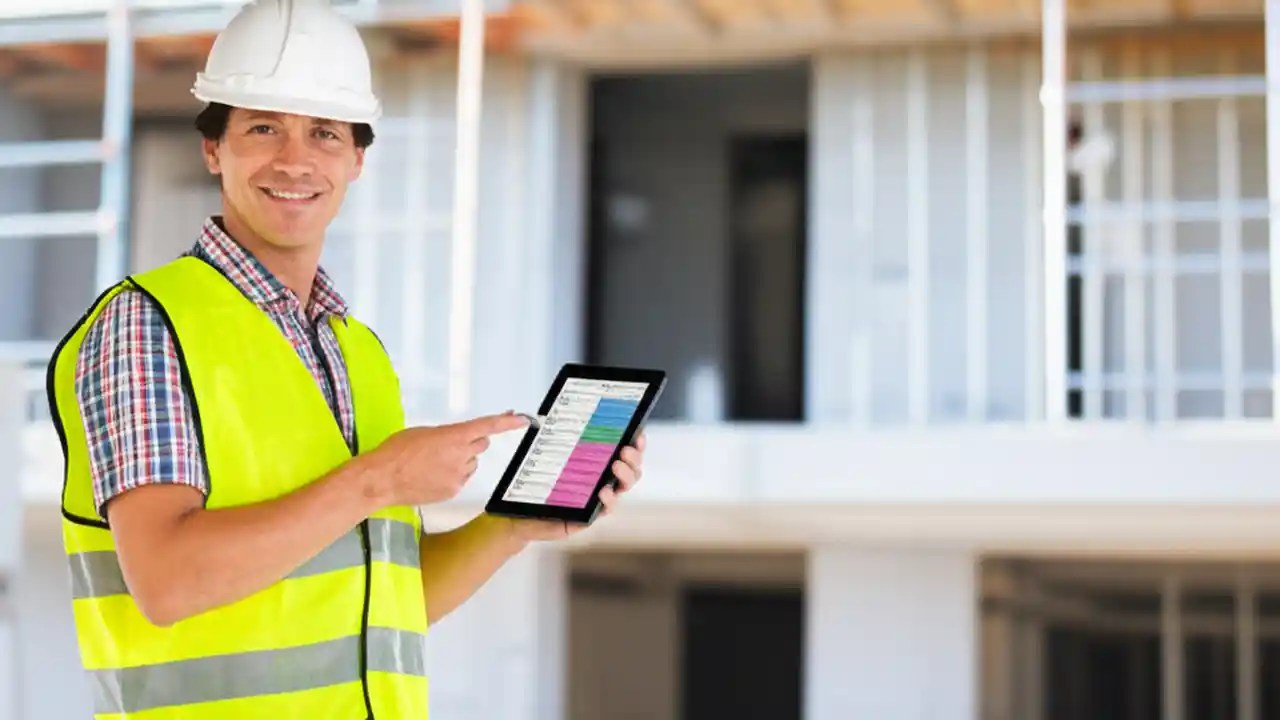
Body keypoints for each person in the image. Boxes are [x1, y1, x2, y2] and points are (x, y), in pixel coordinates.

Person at [44, 1, 646, 717]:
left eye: (324, 133)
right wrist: (381, 478)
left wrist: (511, 525)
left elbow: (388, 602)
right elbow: (168, 580)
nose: (295, 160)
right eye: (263, 127)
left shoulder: (356, 353)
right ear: (215, 149)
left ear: (357, 158)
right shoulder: (145, 327)